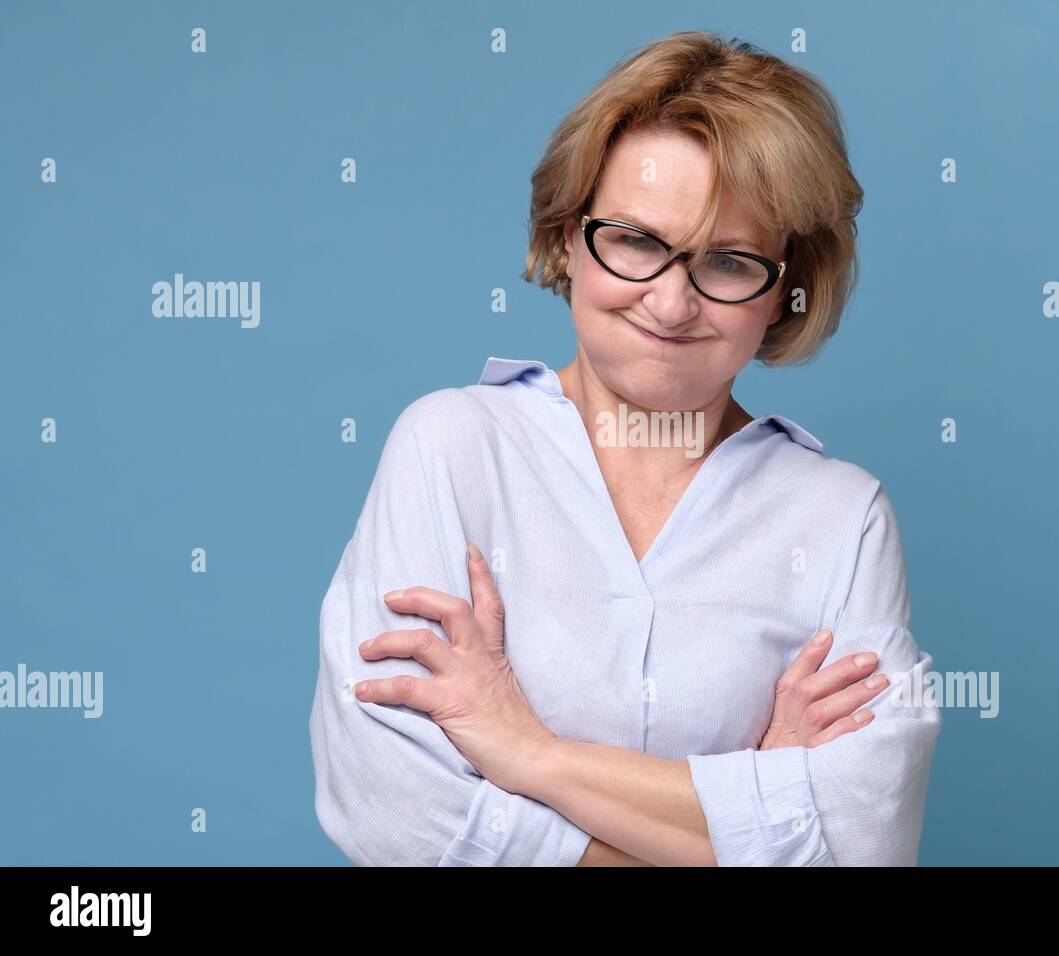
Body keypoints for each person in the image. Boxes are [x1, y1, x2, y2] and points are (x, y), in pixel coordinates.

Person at [309, 30, 940, 866]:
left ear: (786, 291)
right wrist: (754, 801)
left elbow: (866, 845)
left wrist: (525, 752)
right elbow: (390, 811)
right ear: (568, 237)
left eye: (729, 261)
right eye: (637, 241)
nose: (672, 304)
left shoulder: (841, 518)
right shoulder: (452, 446)